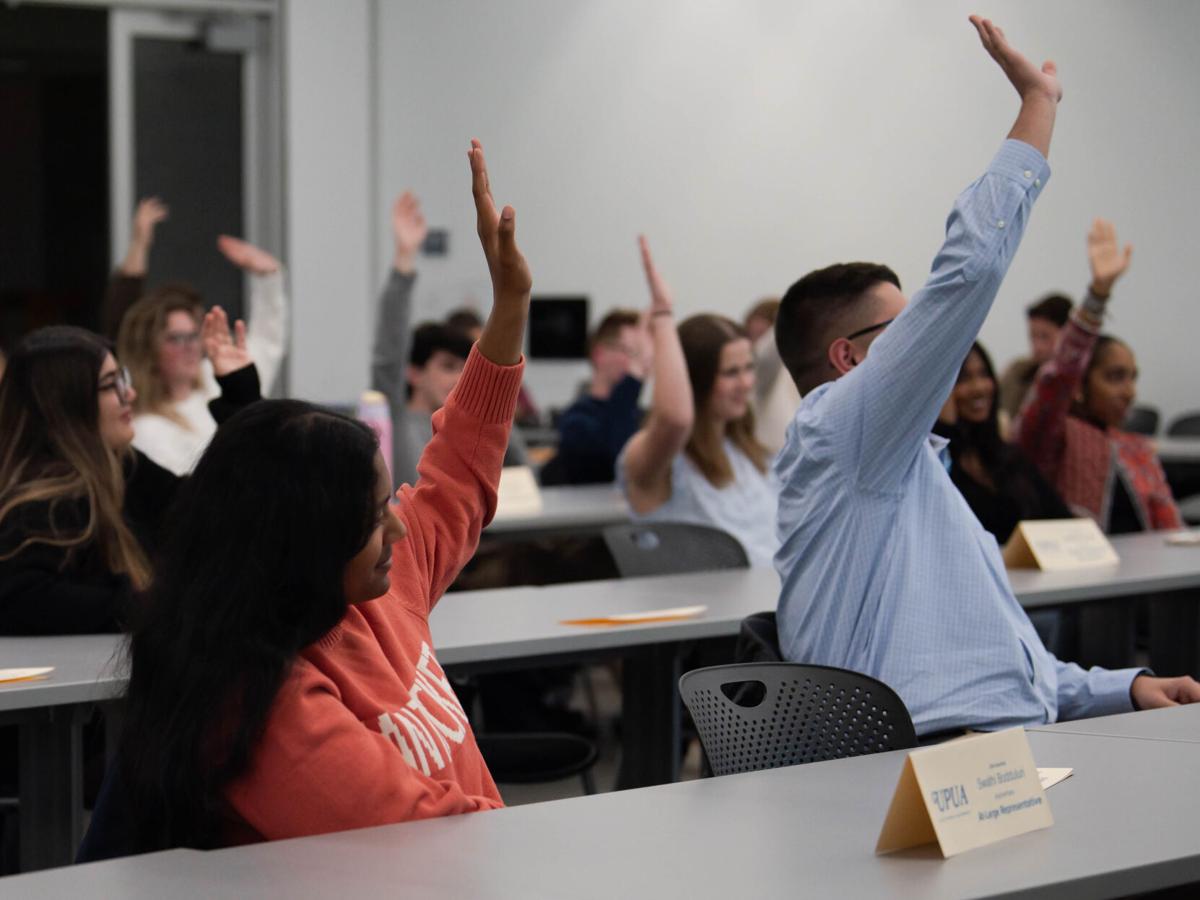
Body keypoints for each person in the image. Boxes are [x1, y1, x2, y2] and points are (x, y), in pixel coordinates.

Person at [99, 139, 531, 856]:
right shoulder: (259, 702)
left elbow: (459, 467)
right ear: (304, 541)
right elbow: (416, 834)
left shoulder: (382, 587)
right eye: (372, 517)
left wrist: (510, 305)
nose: (399, 527)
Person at [772, 16, 1199, 739]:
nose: (924, 347)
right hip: (930, 764)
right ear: (848, 360)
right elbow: (968, 272)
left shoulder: (909, 474)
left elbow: (1011, 669)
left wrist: (1126, 687)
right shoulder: (839, 429)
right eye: (901, 332)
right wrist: (1037, 106)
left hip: (995, 750)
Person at [0, 312, 259, 635]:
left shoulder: (122, 468)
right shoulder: (42, 503)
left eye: (122, 379)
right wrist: (156, 604)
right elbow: (19, 598)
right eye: (111, 385)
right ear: (66, 405)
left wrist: (241, 398)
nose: (130, 395)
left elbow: (209, 507)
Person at [617, 237, 778, 568]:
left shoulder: (747, 451)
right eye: (731, 373)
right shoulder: (661, 460)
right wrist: (663, 316)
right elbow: (675, 418)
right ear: (698, 381)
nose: (746, 383)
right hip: (718, 617)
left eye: (749, 368)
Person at [1013, 219, 1181, 533]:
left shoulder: (1138, 450)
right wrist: (1096, 297)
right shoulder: (1054, 437)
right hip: (1085, 579)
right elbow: (1057, 380)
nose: (1130, 392)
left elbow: (1170, 530)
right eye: (1115, 377)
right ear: (1079, 386)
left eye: (1133, 378)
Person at [113, 230, 287, 476]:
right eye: (175, 338)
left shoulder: (212, 381)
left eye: (193, 335)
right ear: (147, 351)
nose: (190, 346)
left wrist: (269, 277)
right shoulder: (145, 428)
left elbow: (266, 343)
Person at [936, 342, 1071, 543]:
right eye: (962, 379)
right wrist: (944, 424)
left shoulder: (1008, 458)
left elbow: (1063, 522)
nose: (979, 387)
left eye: (984, 375)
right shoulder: (935, 467)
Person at [545, 308, 647, 485]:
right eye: (629, 351)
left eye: (638, 353)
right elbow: (619, 463)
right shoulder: (576, 421)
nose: (635, 363)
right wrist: (632, 382)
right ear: (599, 354)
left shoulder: (640, 418)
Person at [997, 292, 1073, 419]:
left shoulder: (1079, 382)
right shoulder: (1017, 372)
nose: (1037, 347)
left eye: (1045, 337)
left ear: (1067, 335)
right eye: (1033, 336)